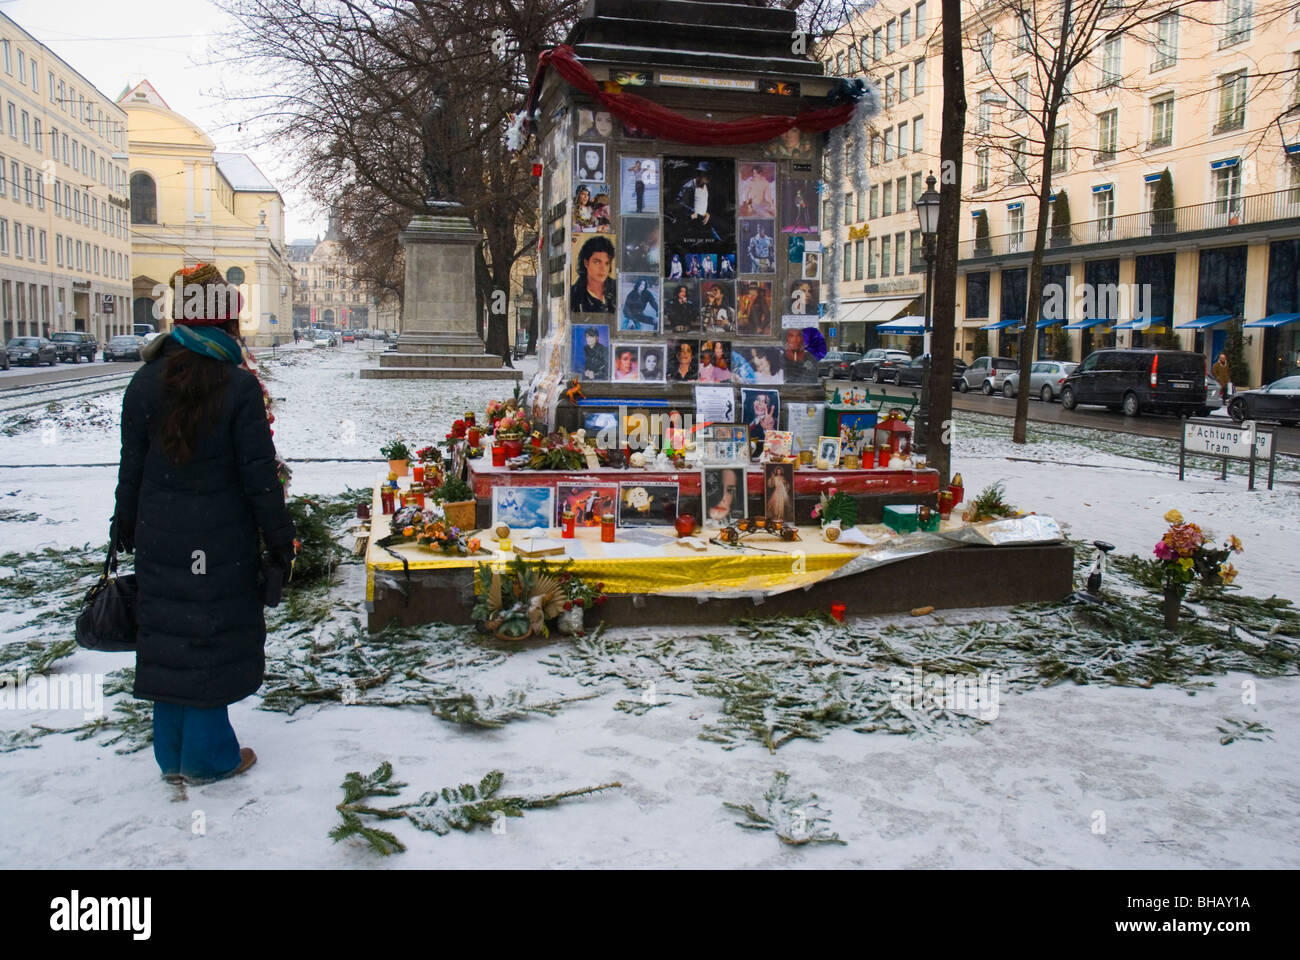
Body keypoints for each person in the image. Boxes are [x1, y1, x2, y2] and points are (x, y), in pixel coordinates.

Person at [113, 263, 296, 784]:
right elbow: (260, 478)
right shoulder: (237, 388)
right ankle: (210, 757)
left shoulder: (145, 381)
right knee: (209, 637)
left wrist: (125, 527)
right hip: (220, 539)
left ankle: (171, 755)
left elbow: (132, 465)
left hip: (159, 534)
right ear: (226, 324)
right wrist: (280, 543)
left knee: (168, 634)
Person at [570, 235, 616, 313]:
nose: (603, 268)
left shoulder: (616, 288)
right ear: (586, 263)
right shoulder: (574, 294)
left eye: (607, 263)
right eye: (597, 262)